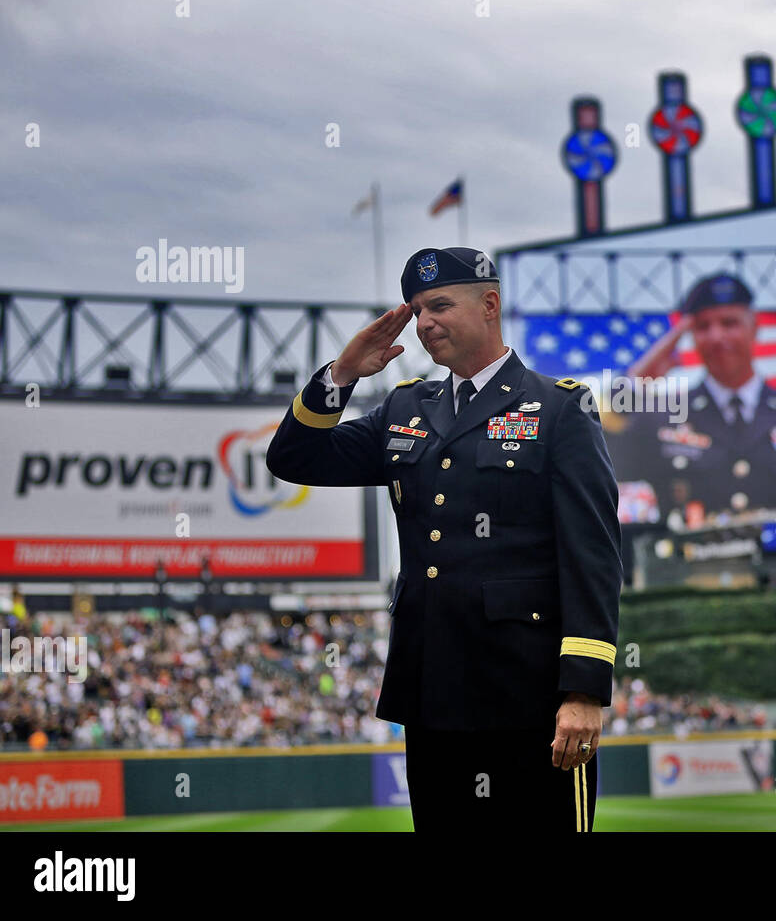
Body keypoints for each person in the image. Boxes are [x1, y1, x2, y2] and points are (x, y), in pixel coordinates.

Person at [265, 245, 622, 832]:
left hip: (530, 699)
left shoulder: (559, 408)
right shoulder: (407, 406)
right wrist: (343, 374)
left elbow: (594, 557)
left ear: (490, 304)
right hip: (432, 695)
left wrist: (583, 692)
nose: (425, 323)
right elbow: (294, 457)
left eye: (439, 306)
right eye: (416, 311)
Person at [611, 273, 776, 517]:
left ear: (755, 327)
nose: (717, 337)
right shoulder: (663, 417)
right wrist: (635, 382)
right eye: (703, 327)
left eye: (729, 323)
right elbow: (598, 456)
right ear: (691, 337)